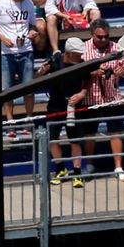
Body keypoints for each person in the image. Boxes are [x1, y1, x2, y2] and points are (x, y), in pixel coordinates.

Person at [77, 18, 124, 179]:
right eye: (99, 37)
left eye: (106, 36)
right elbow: (76, 71)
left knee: (115, 131)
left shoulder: (116, 47)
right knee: (89, 134)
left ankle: (118, 167)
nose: (103, 40)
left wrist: (123, 72)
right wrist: (92, 72)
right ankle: (90, 164)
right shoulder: (83, 48)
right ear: (92, 34)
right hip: (90, 97)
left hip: (111, 96)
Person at [42, 36, 90, 185]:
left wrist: (81, 94)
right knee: (53, 138)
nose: (80, 57)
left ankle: (77, 172)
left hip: (74, 105)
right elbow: (37, 77)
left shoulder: (81, 64)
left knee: (75, 140)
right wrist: (42, 71)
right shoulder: (56, 62)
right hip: (55, 105)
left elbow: (87, 83)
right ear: (68, 53)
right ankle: (60, 168)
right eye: (77, 54)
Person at [0, 0, 35, 115]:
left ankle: (29, 118)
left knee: (28, 89)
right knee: (7, 90)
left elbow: (33, 24)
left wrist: (32, 32)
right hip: (6, 53)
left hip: (26, 50)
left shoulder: (28, 3)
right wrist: (2, 38)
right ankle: (10, 120)